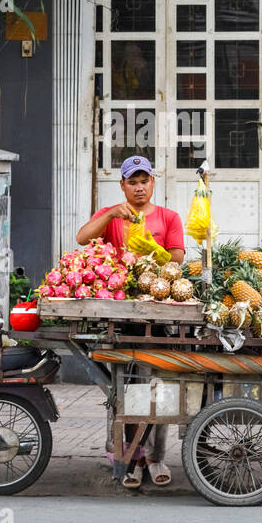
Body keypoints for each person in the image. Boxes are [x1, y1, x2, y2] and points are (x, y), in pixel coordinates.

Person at [76, 155, 185, 489]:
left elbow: (178, 258)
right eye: (132, 182)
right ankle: (129, 459)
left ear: (153, 183)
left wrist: (158, 252)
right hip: (121, 316)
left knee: (156, 386)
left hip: (158, 314)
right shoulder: (113, 216)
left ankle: (156, 457)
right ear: (122, 186)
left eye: (144, 181)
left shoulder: (169, 217)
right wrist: (110, 213)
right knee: (123, 388)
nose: (139, 188)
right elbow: (82, 238)